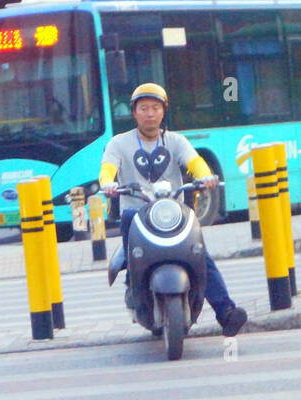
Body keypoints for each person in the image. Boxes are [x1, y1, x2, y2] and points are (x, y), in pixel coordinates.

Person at [100, 82, 248, 337]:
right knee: (126, 215)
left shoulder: (176, 141)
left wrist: (206, 177)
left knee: (200, 253)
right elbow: (107, 169)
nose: (149, 113)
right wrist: (108, 184)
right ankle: (131, 277)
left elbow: (195, 163)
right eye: (143, 108)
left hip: (173, 213)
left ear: (163, 111)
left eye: (155, 108)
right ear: (134, 112)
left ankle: (226, 312)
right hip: (138, 215)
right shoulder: (118, 143)